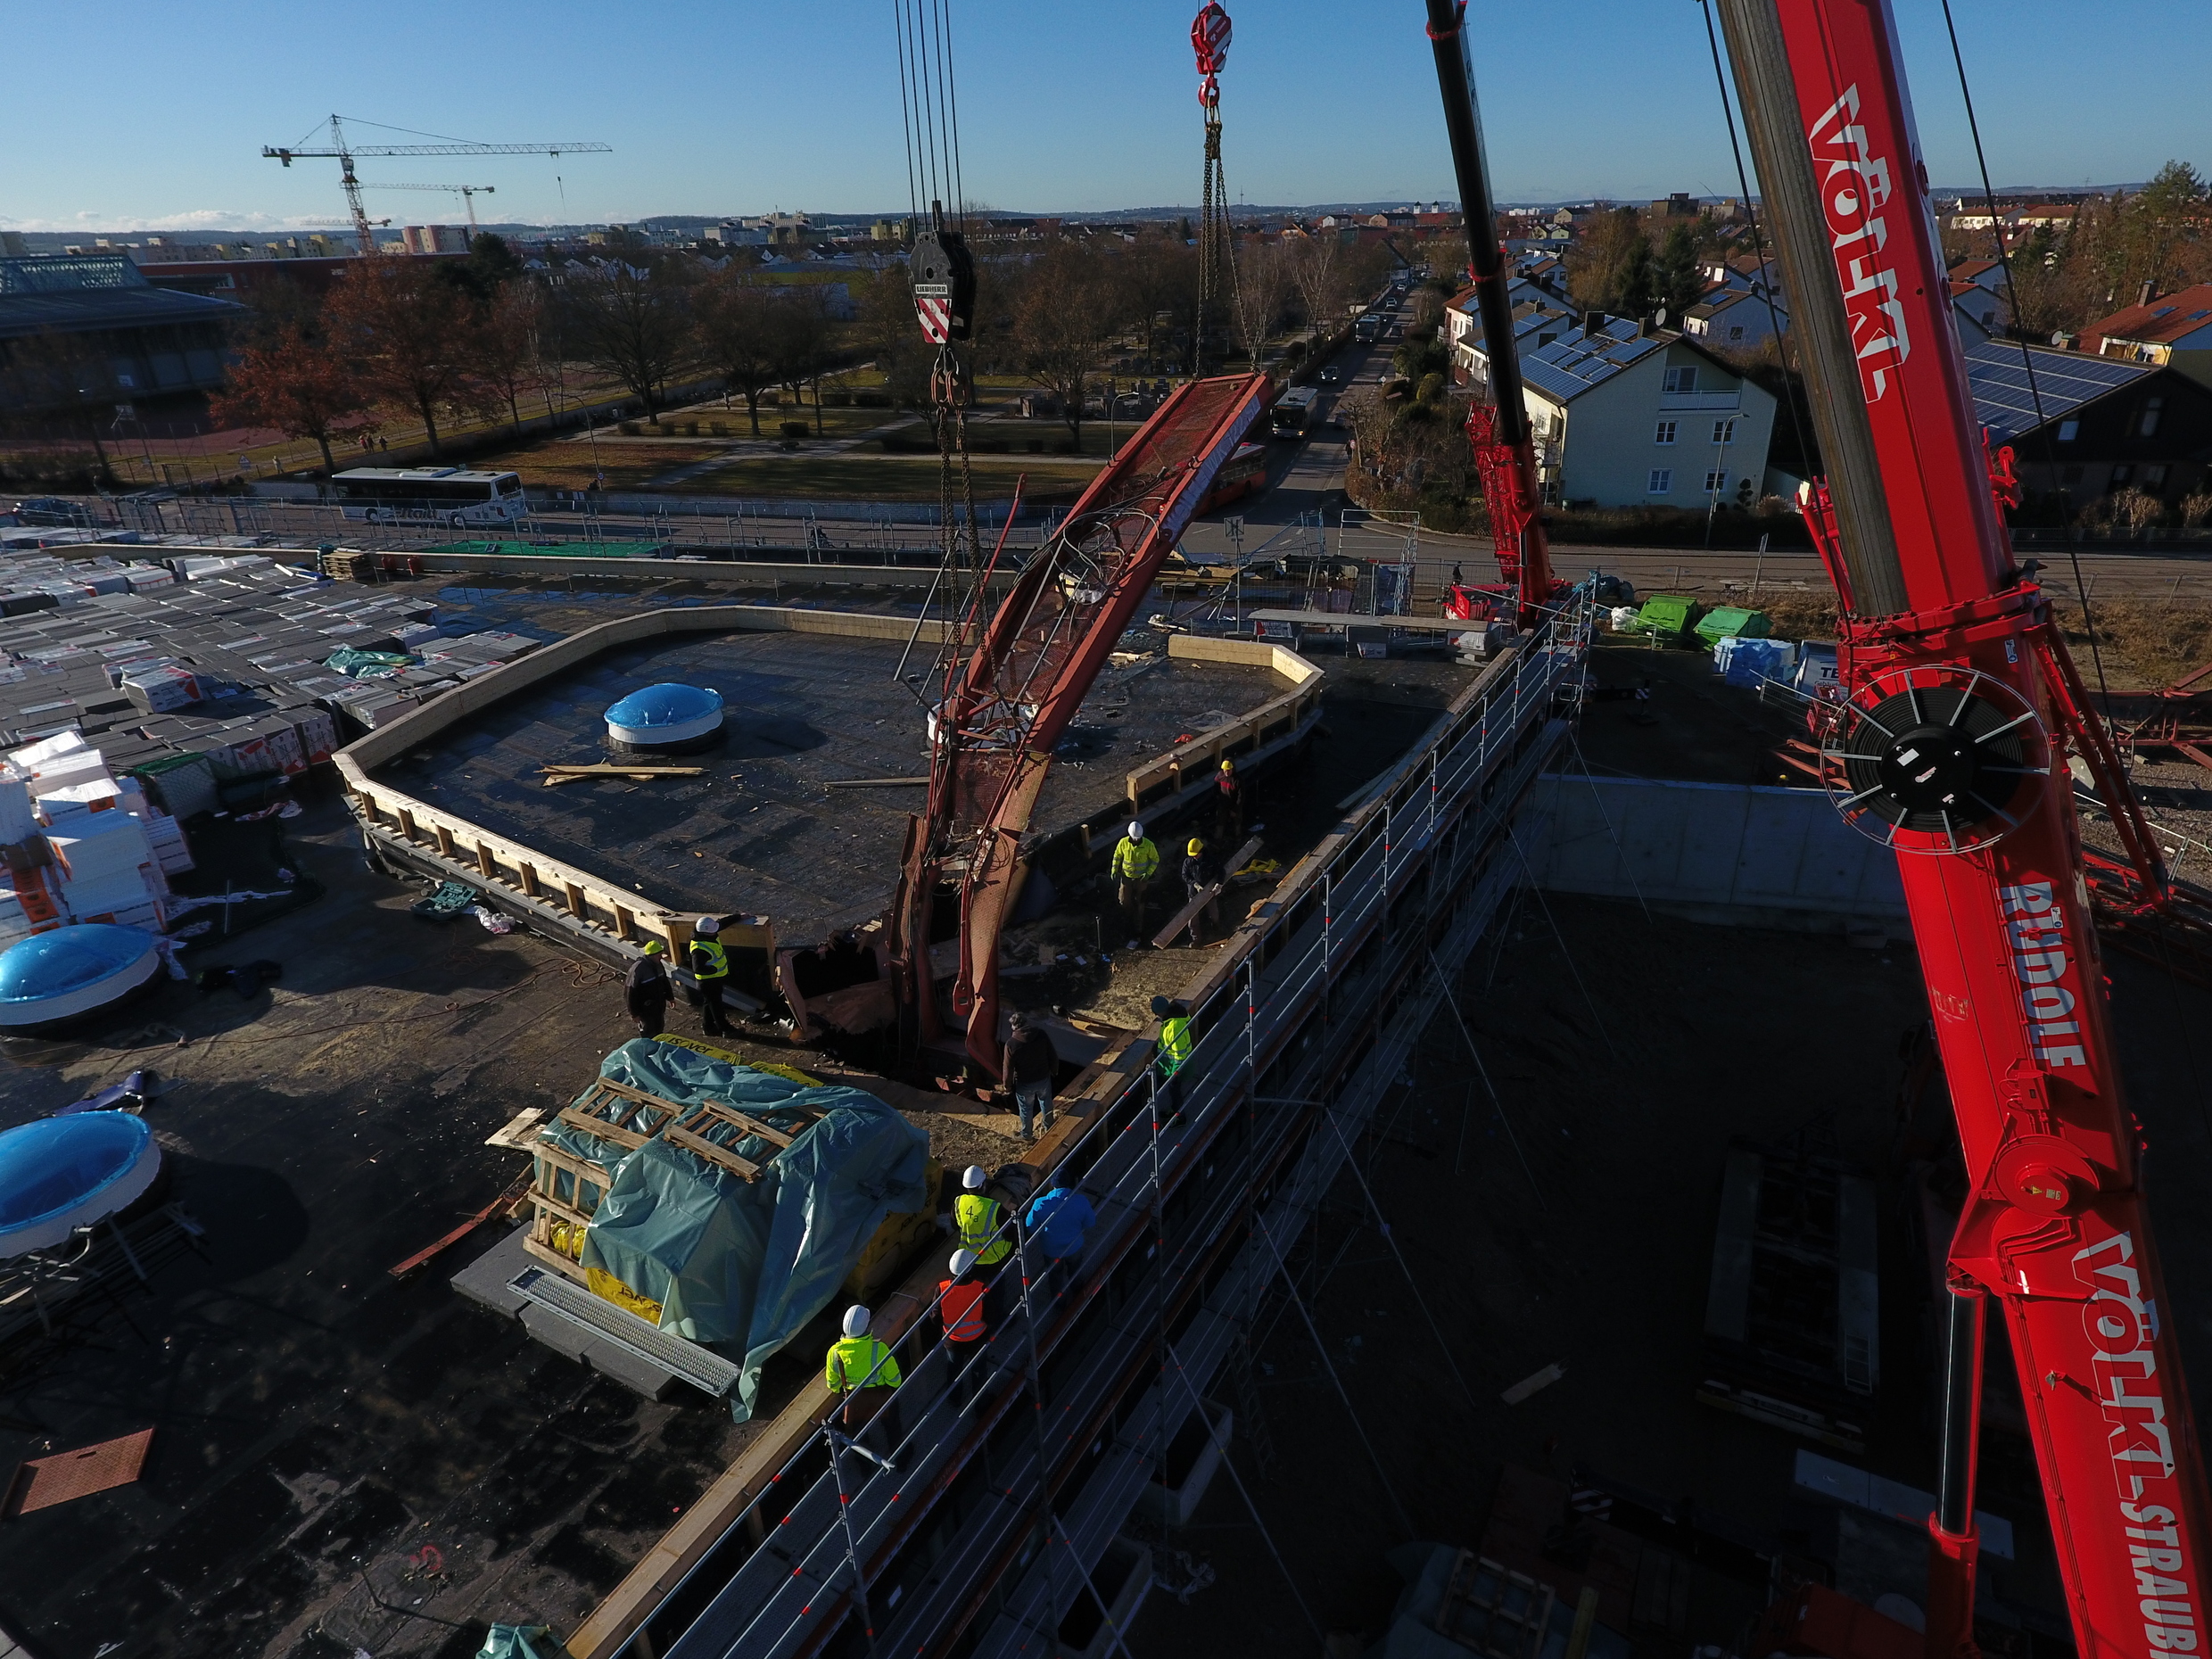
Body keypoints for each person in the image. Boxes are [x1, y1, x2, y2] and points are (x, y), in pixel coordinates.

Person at [825, 1303, 901, 1430]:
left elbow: (833, 1384)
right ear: (866, 1326)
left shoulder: (834, 1352)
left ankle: (863, 1447)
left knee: (859, 1433)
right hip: (880, 1396)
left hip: (855, 1402)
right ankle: (900, 1448)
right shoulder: (879, 1349)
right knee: (893, 1426)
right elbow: (895, 1381)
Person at [1023, 1183, 1096, 1300]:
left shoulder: (1040, 1204)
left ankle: (1059, 1301)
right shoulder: (1080, 1201)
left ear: (1053, 1185)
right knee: (1075, 1271)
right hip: (1074, 1247)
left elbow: (1030, 1227)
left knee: (1055, 1275)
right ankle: (1079, 1295)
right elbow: (1090, 1222)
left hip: (1051, 1250)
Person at [1004, 1012, 1059, 1143]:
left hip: (1024, 1083)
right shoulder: (1041, 1034)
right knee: (1046, 1102)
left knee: (1026, 1109)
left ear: (1014, 1026)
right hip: (1043, 1077)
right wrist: (1054, 1071)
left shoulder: (1011, 1044)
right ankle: (1049, 1127)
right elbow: (1052, 1054)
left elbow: (1008, 1068)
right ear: (1026, 1023)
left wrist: (1007, 1086)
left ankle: (1027, 1135)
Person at [1110, 820, 1160, 945]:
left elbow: (1155, 859)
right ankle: (1127, 922)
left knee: (1140, 903)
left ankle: (1138, 930)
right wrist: (1114, 869)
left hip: (1141, 879)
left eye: (1138, 838)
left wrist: (1148, 874)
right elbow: (1117, 855)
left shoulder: (1148, 845)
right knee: (1124, 900)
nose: (1136, 841)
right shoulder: (1123, 843)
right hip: (1126, 878)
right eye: (1134, 838)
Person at [954, 1165, 1011, 1267]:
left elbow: (955, 1225)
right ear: (982, 1185)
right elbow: (1011, 1234)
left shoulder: (959, 1202)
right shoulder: (994, 1208)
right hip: (994, 1256)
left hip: (969, 1258)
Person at [687, 915, 730, 1038]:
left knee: (709, 1004)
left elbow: (721, 924)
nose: (716, 932)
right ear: (706, 932)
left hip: (712, 981)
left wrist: (738, 917)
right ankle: (726, 1029)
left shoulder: (706, 934)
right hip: (708, 982)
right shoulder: (699, 949)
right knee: (716, 1007)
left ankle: (708, 1027)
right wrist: (713, 969)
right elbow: (698, 968)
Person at [1152, 994, 1193, 1114]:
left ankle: (1179, 1116)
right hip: (1168, 1065)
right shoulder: (1172, 1019)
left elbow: (1179, 1054)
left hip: (1175, 1067)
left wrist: (1175, 1073)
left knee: (1175, 1090)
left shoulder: (1174, 1027)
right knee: (1169, 1087)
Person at [625, 939, 674, 1037]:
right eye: (659, 954)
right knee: (648, 1032)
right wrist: (634, 1013)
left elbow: (664, 981)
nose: (661, 957)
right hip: (645, 1009)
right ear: (651, 955)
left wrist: (670, 997)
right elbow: (629, 993)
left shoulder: (658, 965)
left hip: (658, 1005)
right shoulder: (637, 969)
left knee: (659, 1028)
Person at [1179, 837, 1222, 947]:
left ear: (1201, 851)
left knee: (1214, 914)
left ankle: (1216, 931)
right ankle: (1196, 939)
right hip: (1194, 893)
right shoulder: (1188, 862)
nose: (1194, 856)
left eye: (1196, 854)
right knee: (1192, 920)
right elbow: (1185, 875)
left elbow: (1221, 872)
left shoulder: (1211, 860)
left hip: (1209, 892)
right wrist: (1194, 884)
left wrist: (1219, 884)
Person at [1213, 758, 1243, 842]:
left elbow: (1240, 797)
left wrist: (1235, 810)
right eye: (1225, 770)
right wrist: (1219, 800)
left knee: (1236, 823)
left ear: (1232, 769)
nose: (1226, 772)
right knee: (1220, 823)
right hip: (1223, 805)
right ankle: (1217, 841)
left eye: (1228, 771)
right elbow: (1216, 788)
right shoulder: (1220, 776)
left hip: (1234, 805)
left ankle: (1237, 840)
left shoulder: (1237, 780)